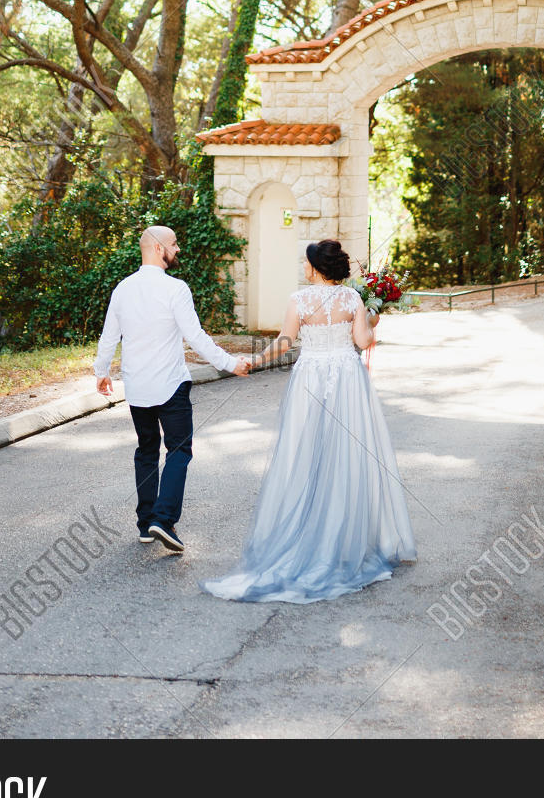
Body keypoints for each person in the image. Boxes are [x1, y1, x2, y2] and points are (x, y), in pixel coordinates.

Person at [200, 238, 416, 603]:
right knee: (346, 454)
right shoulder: (352, 299)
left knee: (304, 452)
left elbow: (285, 341)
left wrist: (252, 362)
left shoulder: (298, 300)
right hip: (346, 378)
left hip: (311, 379)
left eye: (306, 262)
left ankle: (303, 531)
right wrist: (373, 320)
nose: (304, 267)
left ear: (316, 267)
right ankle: (342, 539)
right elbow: (363, 342)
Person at [94, 224, 250, 554]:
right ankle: (163, 521)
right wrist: (230, 363)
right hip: (170, 385)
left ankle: (146, 524)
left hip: (137, 386)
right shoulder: (175, 289)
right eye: (173, 244)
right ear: (155, 248)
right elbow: (196, 337)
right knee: (179, 450)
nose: (177, 249)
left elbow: (110, 336)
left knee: (147, 451)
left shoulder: (123, 288)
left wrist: (101, 371)